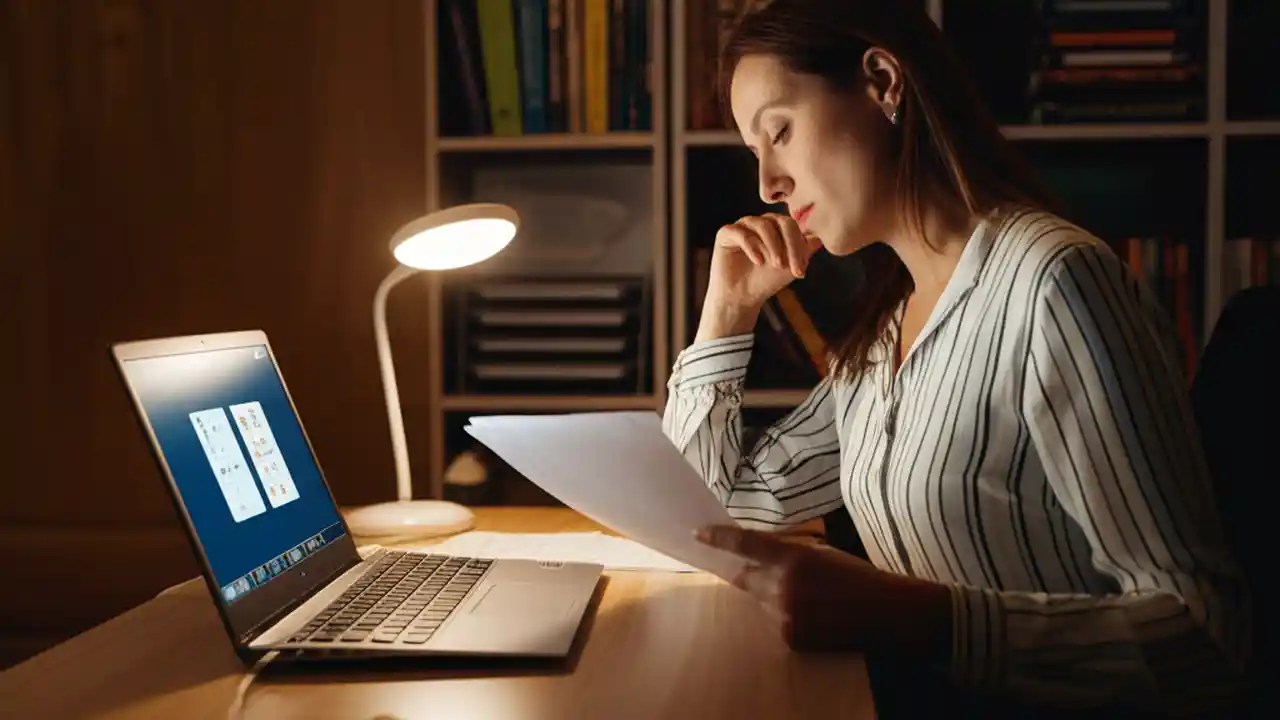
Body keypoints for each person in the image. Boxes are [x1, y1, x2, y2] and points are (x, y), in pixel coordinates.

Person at [661, 0, 1250, 714]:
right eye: (755, 155)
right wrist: (726, 315)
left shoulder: (1052, 283)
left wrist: (924, 619)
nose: (767, 186)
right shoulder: (882, 335)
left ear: (882, 81)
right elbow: (722, 513)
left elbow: (1206, 636)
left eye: (778, 133)